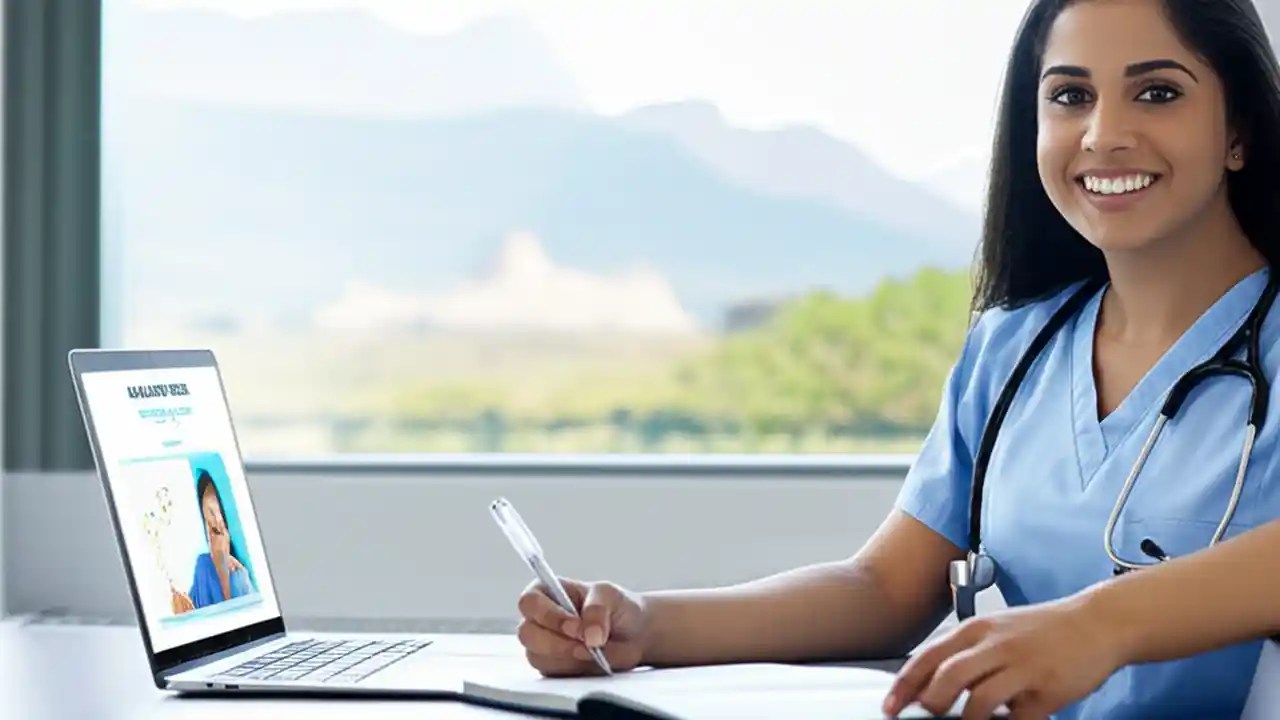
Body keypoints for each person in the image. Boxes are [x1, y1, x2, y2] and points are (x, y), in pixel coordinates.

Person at [512, 1, 1280, 717]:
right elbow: (883, 590)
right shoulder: (1012, 351)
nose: (1103, 134)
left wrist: (1096, 626)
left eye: (1156, 94)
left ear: (1238, 131)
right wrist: (648, 626)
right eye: (1070, 97)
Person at [170, 470, 255, 614]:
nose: (212, 538)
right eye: (208, 524)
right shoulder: (203, 568)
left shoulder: (241, 581)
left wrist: (227, 583)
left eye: (217, 529)